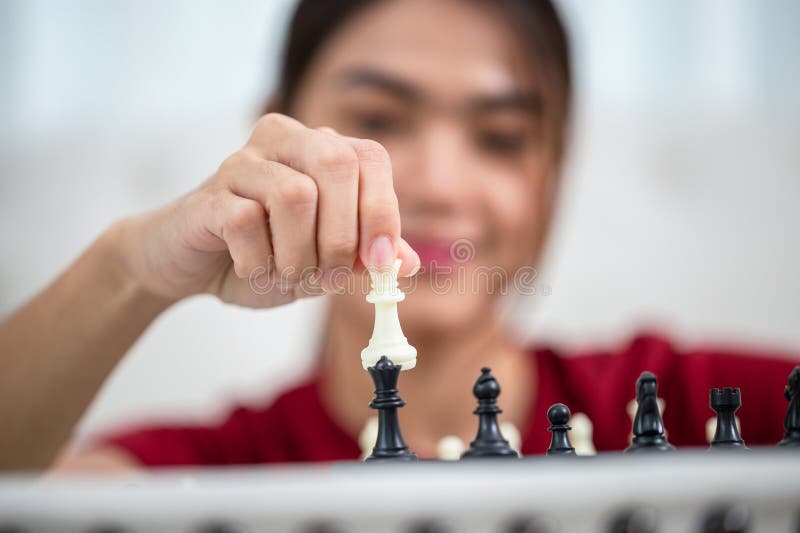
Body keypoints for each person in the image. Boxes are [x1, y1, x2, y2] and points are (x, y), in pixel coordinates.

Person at [0, 0, 795, 472]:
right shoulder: (221, 470)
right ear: (270, 130)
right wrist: (134, 267)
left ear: (551, 177)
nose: (441, 184)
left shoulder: (688, 406)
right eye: (377, 120)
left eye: (503, 136)